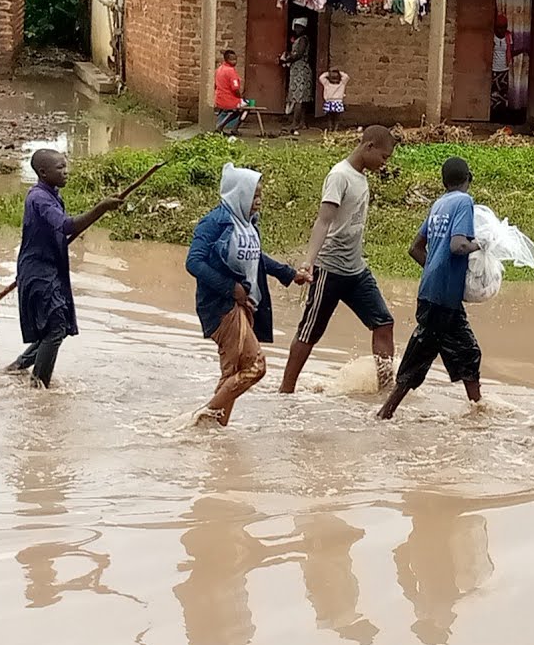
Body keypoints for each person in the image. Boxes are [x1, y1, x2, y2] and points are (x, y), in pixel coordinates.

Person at [185, 163, 309, 426]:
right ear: (238, 194)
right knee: (255, 368)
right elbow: (193, 263)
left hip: (243, 306)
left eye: (259, 195)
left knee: (232, 372)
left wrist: (289, 274)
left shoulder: (246, 225)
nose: (258, 202)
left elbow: (257, 259)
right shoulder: (214, 223)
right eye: (254, 196)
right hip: (222, 306)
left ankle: (214, 431)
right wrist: (230, 288)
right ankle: (203, 416)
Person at [280, 125, 398, 394]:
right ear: (368, 147)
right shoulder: (339, 176)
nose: (384, 164)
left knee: (384, 322)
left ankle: (386, 390)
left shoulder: (361, 177)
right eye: (383, 157)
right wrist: (308, 262)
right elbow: (323, 221)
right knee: (310, 332)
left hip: (356, 270)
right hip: (330, 269)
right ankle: (285, 392)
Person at [377, 157, 483, 420]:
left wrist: (434, 269)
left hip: (433, 292)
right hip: (443, 297)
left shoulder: (439, 204)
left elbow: (415, 248)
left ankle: (479, 409)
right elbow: (458, 245)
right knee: (421, 355)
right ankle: (384, 413)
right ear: (468, 178)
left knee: (466, 352)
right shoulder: (463, 202)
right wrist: (481, 245)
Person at [6, 149, 122, 387]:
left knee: (55, 326)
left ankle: (17, 368)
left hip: (49, 268)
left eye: (65, 166)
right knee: (56, 326)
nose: (66, 172)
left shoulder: (52, 195)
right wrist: (101, 207)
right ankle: (38, 387)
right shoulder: (39, 198)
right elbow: (67, 226)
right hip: (39, 272)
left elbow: (60, 228)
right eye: (60, 168)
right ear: (43, 172)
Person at [280, 17, 314, 134]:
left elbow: (298, 54)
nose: (297, 29)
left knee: (298, 98)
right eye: (296, 27)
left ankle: (295, 123)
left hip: (301, 70)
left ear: (302, 28)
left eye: (299, 27)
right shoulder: (300, 39)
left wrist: (286, 58)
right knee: (301, 98)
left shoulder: (303, 40)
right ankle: (302, 123)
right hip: (300, 69)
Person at [214, 49, 246, 135]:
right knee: (245, 108)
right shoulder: (231, 71)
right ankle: (232, 128)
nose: (234, 62)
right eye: (232, 59)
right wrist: (240, 97)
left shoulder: (219, 69)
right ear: (226, 60)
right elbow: (235, 89)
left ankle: (221, 126)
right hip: (229, 100)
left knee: (237, 108)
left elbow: (215, 85)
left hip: (219, 98)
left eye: (235, 59)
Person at [490, 14, 514, 119]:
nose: (501, 30)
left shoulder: (508, 37)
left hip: (504, 70)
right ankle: (492, 115)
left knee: (503, 95)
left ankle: (502, 116)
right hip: (493, 70)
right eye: (499, 27)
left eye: (504, 27)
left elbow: (511, 50)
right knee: (493, 94)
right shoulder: (492, 37)